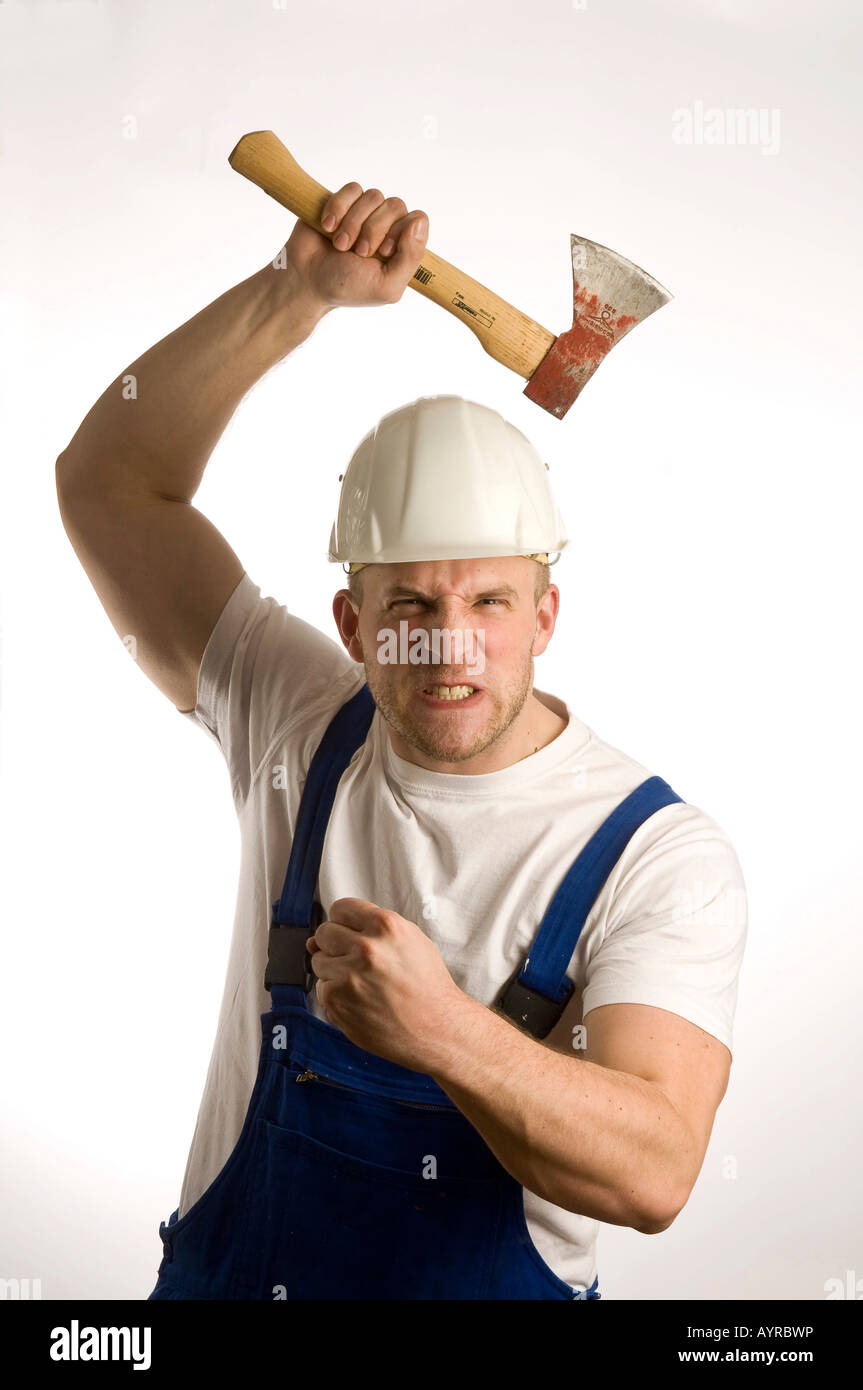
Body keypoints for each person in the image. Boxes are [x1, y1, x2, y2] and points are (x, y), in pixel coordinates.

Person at [55, 179, 747, 1301]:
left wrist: (447, 1034)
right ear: (352, 626)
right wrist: (297, 292)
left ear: (544, 618)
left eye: (487, 603)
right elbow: (108, 486)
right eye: (412, 610)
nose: (451, 650)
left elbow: (655, 1170)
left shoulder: (657, 855)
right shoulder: (294, 713)